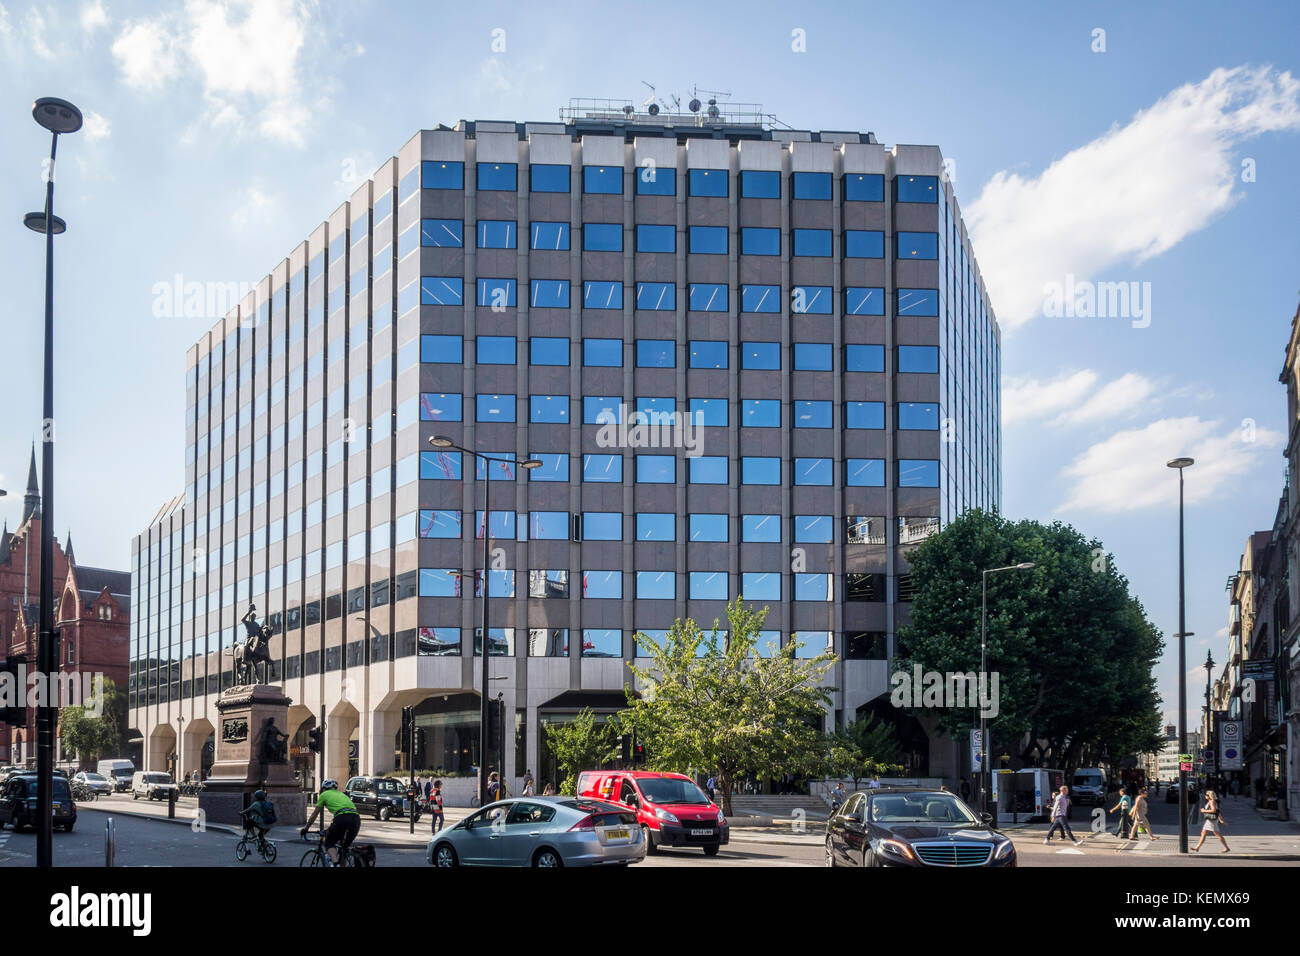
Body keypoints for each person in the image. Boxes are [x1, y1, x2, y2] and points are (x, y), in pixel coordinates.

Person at [300, 778, 361, 866]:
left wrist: (306, 828)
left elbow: (314, 814)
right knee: (344, 848)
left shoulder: (324, 794)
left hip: (342, 817)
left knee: (329, 842)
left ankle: (335, 863)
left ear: (323, 788)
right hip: (356, 818)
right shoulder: (342, 794)